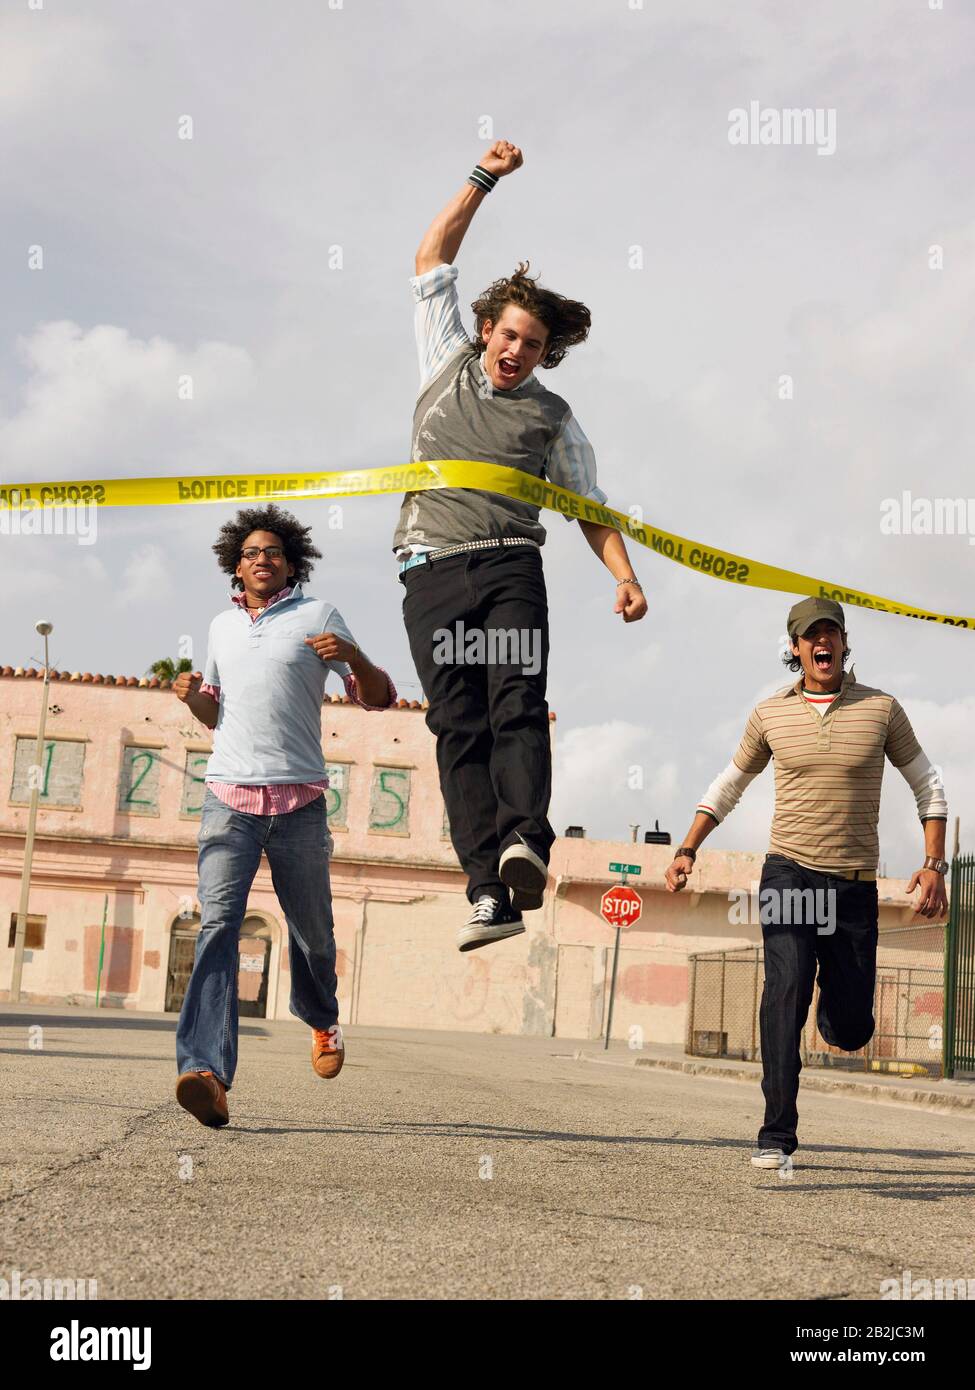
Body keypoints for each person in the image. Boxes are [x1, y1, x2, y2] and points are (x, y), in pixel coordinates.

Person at [397, 139, 648, 952]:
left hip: (508, 564)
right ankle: (486, 891)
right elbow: (432, 255)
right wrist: (481, 179)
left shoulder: (552, 416)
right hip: (429, 571)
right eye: (507, 336)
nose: (514, 352)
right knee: (456, 725)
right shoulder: (444, 358)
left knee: (514, 704)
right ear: (486, 328)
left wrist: (624, 576)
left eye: (531, 345)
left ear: (547, 352)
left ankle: (523, 845)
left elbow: (584, 503)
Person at [665, 597, 949, 1167]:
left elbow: (928, 783)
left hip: (851, 886)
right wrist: (688, 847)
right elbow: (729, 784)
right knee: (784, 992)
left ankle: (835, 1010)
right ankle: (776, 1134)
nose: (823, 643)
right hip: (789, 873)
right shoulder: (770, 714)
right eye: (810, 635)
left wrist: (934, 863)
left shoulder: (882, 709)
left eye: (832, 633)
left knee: (850, 1028)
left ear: (844, 644)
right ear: (795, 649)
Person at [172, 504, 395, 1127]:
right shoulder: (220, 627)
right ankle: (207, 1073)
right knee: (217, 925)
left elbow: (376, 698)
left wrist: (353, 654)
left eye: (272, 552)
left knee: (312, 932)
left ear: (292, 562)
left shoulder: (318, 615)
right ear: (235, 565)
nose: (261, 559)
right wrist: (195, 701)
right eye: (250, 553)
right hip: (228, 802)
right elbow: (218, 715)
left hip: (299, 802)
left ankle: (322, 1021)